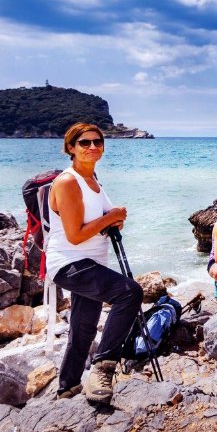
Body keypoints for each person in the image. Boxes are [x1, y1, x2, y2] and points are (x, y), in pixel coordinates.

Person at [46, 123, 142, 404]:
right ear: (71, 148)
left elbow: (93, 223)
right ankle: (104, 367)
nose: (92, 147)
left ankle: (68, 387)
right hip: (69, 262)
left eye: (97, 142)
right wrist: (110, 217)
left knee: (83, 326)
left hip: (90, 261)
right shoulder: (67, 181)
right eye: (84, 142)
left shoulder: (94, 181)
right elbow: (74, 236)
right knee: (129, 292)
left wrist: (112, 220)